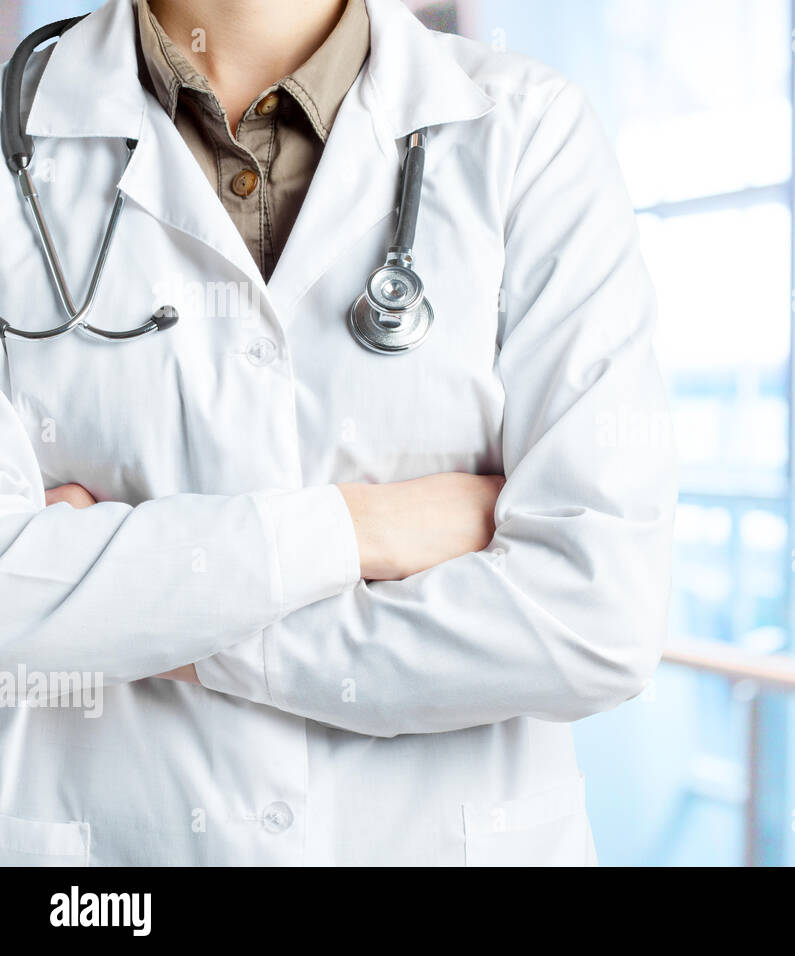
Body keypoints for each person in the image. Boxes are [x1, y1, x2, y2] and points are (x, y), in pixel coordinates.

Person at [0, 0, 675, 865]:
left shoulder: (528, 134)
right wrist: (361, 530)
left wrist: (150, 627)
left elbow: (595, 622)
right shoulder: (21, 146)